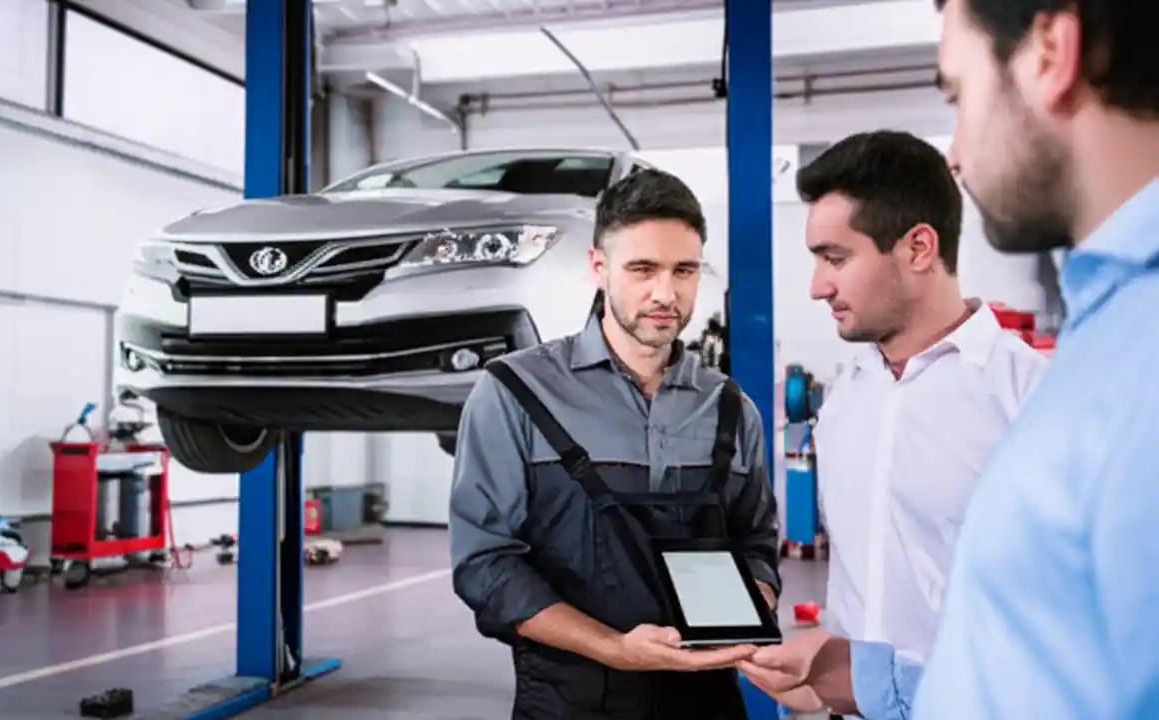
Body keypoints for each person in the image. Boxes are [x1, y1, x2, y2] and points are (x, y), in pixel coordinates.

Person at [735, 0, 1159, 717]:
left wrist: (880, 685)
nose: (956, 152)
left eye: (959, 95)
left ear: (1052, 52)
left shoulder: (1042, 393)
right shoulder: (846, 403)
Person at [448, 168, 782, 719]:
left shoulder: (731, 409)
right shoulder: (514, 393)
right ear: (598, 268)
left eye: (684, 270)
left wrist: (747, 611)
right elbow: (484, 564)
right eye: (642, 269)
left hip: (706, 702)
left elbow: (757, 545)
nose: (665, 293)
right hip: (569, 702)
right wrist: (613, 649)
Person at [787, 129, 1049, 715]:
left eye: (835, 258)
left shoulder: (1032, 400)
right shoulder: (846, 401)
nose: (816, 286)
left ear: (919, 248)